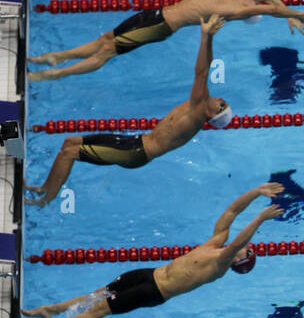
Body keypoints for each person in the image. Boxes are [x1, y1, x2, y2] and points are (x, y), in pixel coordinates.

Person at [21, 183, 284, 318]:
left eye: (248, 250)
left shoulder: (220, 266)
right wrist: (256, 192)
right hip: (149, 273)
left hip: (153, 292)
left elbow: (238, 241)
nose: (247, 246)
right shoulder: (215, 243)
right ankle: (51, 309)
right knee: (99, 293)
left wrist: (260, 219)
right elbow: (231, 211)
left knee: (99, 310)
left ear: (242, 260)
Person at [24, 15, 230, 207]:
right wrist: (208, 37)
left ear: (212, 116)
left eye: (222, 106)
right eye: (225, 102)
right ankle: (44, 188)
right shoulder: (200, 105)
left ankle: (44, 201)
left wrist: (206, 36)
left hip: (135, 153)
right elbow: (205, 70)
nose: (221, 100)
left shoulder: (196, 112)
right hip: (136, 142)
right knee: (70, 142)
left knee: (69, 153)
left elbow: (202, 71)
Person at [28, 0, 304, 82]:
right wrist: (290, 13)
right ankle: (56, 57)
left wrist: (296, 15)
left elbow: (269, 9)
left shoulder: (236, 10)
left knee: (106, 53)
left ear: (250, 11)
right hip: (153, 14)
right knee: (105, 39)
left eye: (255, 4)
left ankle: (53, 74)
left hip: (160, 27)